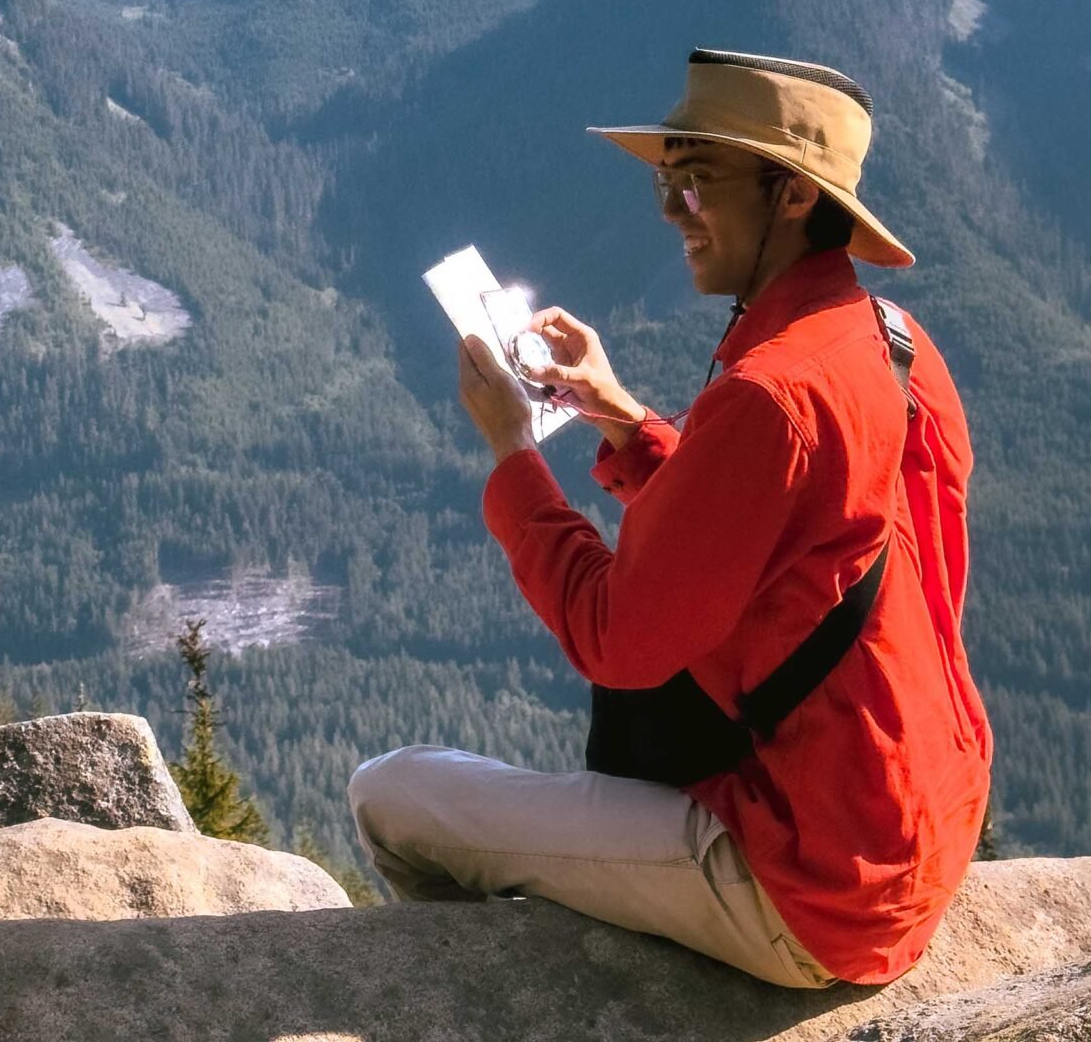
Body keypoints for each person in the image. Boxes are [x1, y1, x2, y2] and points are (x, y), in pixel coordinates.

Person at [349, 48, 992, 989]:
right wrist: (616, 411)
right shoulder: (892, 341)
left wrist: (513, 455)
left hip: (813, 880)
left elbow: (616, 636)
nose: (667, 211)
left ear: (794, 197)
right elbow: (782, 527)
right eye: (666, 179)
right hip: (912, 830)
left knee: (392, 793)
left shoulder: (771, 392)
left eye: (696, 184)